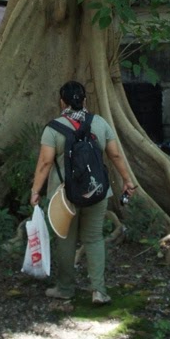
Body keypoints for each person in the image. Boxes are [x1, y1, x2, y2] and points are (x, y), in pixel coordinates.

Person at [30, 80, 136, 305]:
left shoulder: (53, 128)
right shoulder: (99, 123)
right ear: (85, 101)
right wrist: (127, 180)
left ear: (62, 102)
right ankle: (98, 290)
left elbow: (45, 163)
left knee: (65, 240)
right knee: (94, 238)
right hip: (97, 192)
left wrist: (35, 191)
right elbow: (115, 156)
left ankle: (65, 288)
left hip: (63, 196)